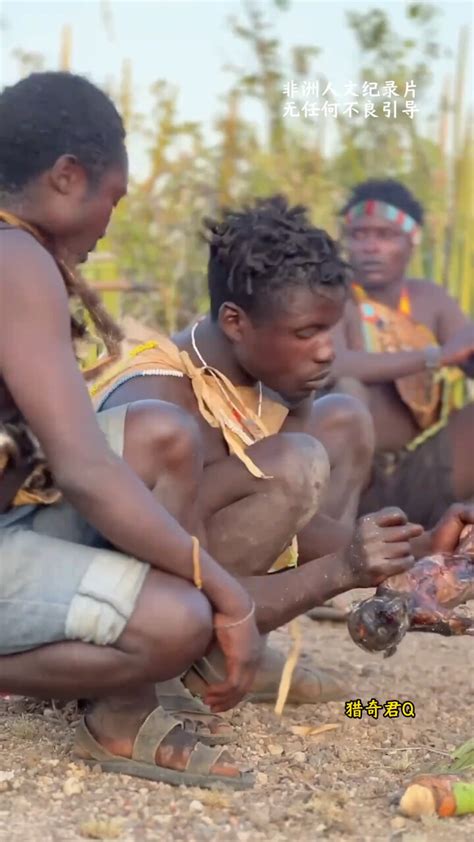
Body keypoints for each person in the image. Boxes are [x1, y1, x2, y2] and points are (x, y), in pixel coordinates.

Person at [0, 75, 426, 787]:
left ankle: (160, 669)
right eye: (115, 196)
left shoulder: (25, 260)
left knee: (160, 442)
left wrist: (405, 558)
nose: (112, 216)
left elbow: (79, 462)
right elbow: (82, 468)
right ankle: (123, 710)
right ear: (67, 178)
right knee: (178, 619)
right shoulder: (18, 260)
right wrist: (225, 598)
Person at [88, 195, 442, 704]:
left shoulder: (256, 376)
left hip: (206, 570)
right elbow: (165, 584)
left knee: (342, 418)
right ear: (235, 322)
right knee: (295, 462)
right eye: (306, 332)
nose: (327, 349)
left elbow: (297, 531)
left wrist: (420, 548)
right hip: (131, 610)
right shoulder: (159, 402)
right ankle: (186, 667)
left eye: (329, 328)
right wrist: (343, 568)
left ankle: (239, 649)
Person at [331, 179, 474, 529]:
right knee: (348, 390)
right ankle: (337, 538)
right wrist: (434, 356)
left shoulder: (431, 300)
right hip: (350, 486)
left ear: (412, 241)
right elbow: (334, 363)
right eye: (359, 235)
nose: (369, 247)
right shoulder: (334, 297)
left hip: (419, 474)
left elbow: (466, 355)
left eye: (384, 235)